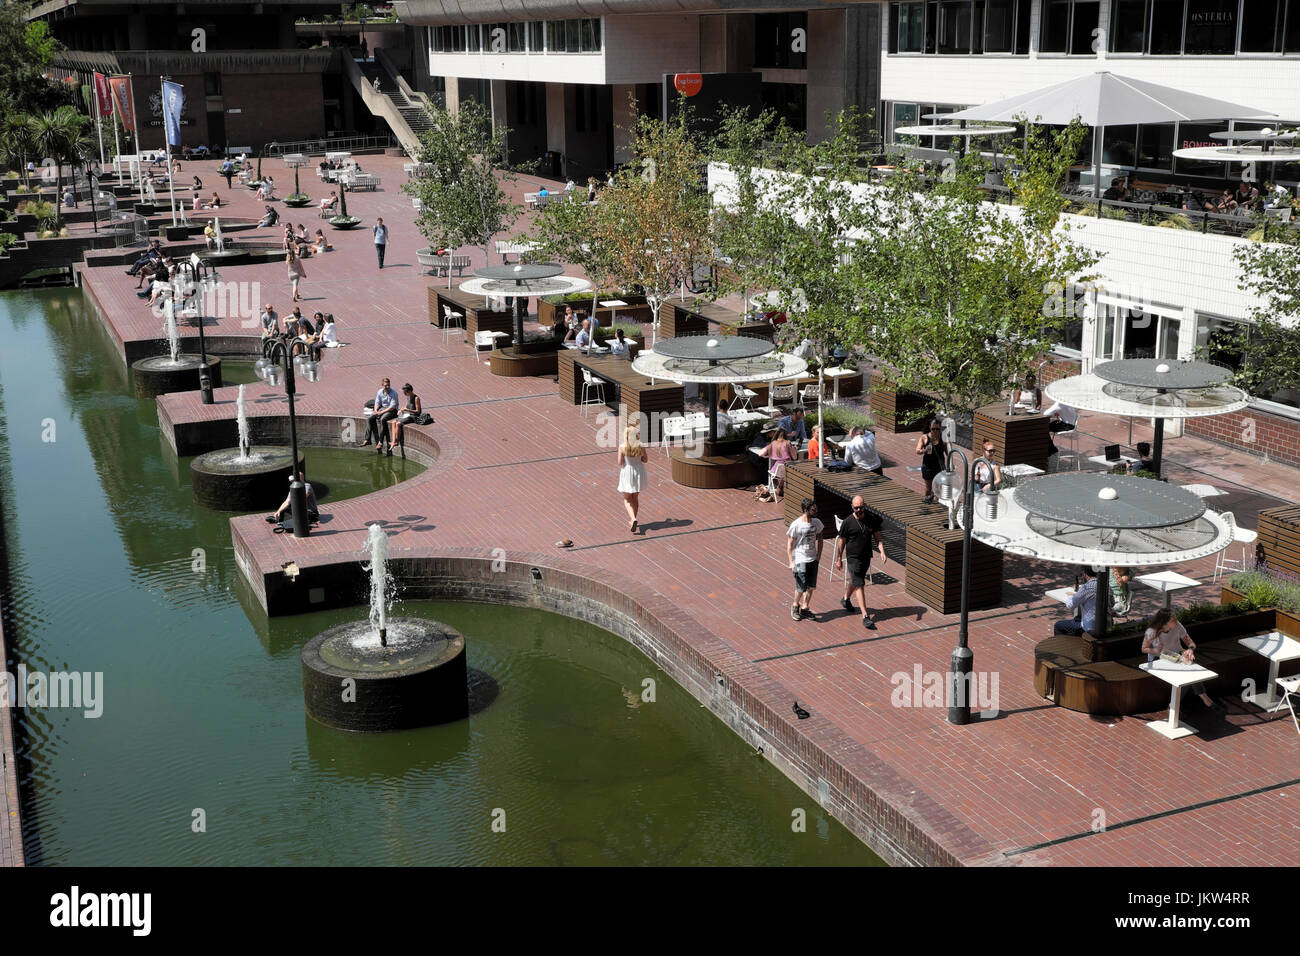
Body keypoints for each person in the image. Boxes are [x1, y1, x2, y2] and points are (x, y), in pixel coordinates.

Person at [1142, 608, 1216, 708]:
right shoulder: (1152, 631)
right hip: (1158, 659)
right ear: (1165, 622)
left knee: (1192, 670)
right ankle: (1204, 697)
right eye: (1173, 620)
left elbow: (1190, 642)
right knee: (1185, 675)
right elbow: (1144, 649)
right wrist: (1155, 651)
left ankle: (1175, 705)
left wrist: (1190, 649)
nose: (1176, 621)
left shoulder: (1177, 626)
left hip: (1176, 655)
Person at [835, 495, 888, 629]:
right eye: (856, 508)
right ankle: (865, 616)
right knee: (859, 583)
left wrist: (882, 551)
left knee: (856, 580)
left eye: (861, 507)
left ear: (865, 505)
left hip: (866, 556)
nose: (859, 510)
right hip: (853, 558)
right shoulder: (848, 522)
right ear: (852, 507)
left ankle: (845, 599)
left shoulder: (871, 519)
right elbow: (841, 542)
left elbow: (877, 537)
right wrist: (839, 559)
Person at [787, 498, 824, 621]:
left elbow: (820, 539)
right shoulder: (796, 524)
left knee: (811, 586)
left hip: (813, 558)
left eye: (816, 508)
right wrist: (791, 562)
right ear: (805, 510)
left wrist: (818, 556)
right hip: (800, 559)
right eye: (813, 509)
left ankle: (805, 607)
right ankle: (795, 606)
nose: (816, 511)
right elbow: (790, 544)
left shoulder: (817, 522)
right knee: (801, 586)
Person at [616, 420, 648, 534]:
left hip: (627, 472)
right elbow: (645, 460)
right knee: (635, 498)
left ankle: (633, 519)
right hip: (638, 472)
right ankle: (633, 519)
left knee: (627, 499)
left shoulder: (622, 447)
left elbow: (619, 463)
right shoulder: (640, 445)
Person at [1054, 567, 1097, 636]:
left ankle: (1061, 645)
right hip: (1107, 624)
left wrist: (1070, 596)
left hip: (1090, 627)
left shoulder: (1087, 587)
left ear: (1085, 574)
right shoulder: (1106, 586)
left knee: (1058, 625)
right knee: (1077, 618)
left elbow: (1070, 605)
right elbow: (1112, 603)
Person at [361, 377, 400, 452]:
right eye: (386, 385)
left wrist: (380, 413)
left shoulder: (394, 393)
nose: (387, 387)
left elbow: (392, 407)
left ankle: (380, 442)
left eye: (388, 385)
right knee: (369, 419)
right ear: (382, 385)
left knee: (383, 419)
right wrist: (375, 410)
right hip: (382, 409)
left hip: (392, 410)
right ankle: (367, 439)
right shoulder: (379, 392)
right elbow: (377, 403)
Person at [760, 427, 796, 498]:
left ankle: (779, 488)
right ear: (785, 435)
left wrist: (768, 455)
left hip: (777, 470)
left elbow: (761, 454)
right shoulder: (788, 443)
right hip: (788, 469)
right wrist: (793, 450)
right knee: (783, 473)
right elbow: (795, 457)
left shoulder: (773, 443)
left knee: (779, 471)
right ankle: (780, 488)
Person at [916, 420, 947, 503]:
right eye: (933, 429)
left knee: (938, 488)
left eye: (937, 429)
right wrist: (924, 450)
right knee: (928, 488)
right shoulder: (924, 437)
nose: (935, 431)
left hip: (939, 467)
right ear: (930, 427)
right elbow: (917, 451)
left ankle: (937, 503)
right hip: (928, 466)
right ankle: (927, 502)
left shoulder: (943, 439)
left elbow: (948, 453)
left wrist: (951, 465)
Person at [388, 383, 422, 456]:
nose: (404, 394)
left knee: (398, 424)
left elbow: (418, 411)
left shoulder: (416, 398)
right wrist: (402, 410)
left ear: (409, 391)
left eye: (405, 392)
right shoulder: (408, 397)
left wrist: (408, 410)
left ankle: (397, 441)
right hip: (408, 414)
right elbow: (406, 406)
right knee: (393, 422)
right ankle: (393, 441)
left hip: (414, 416)